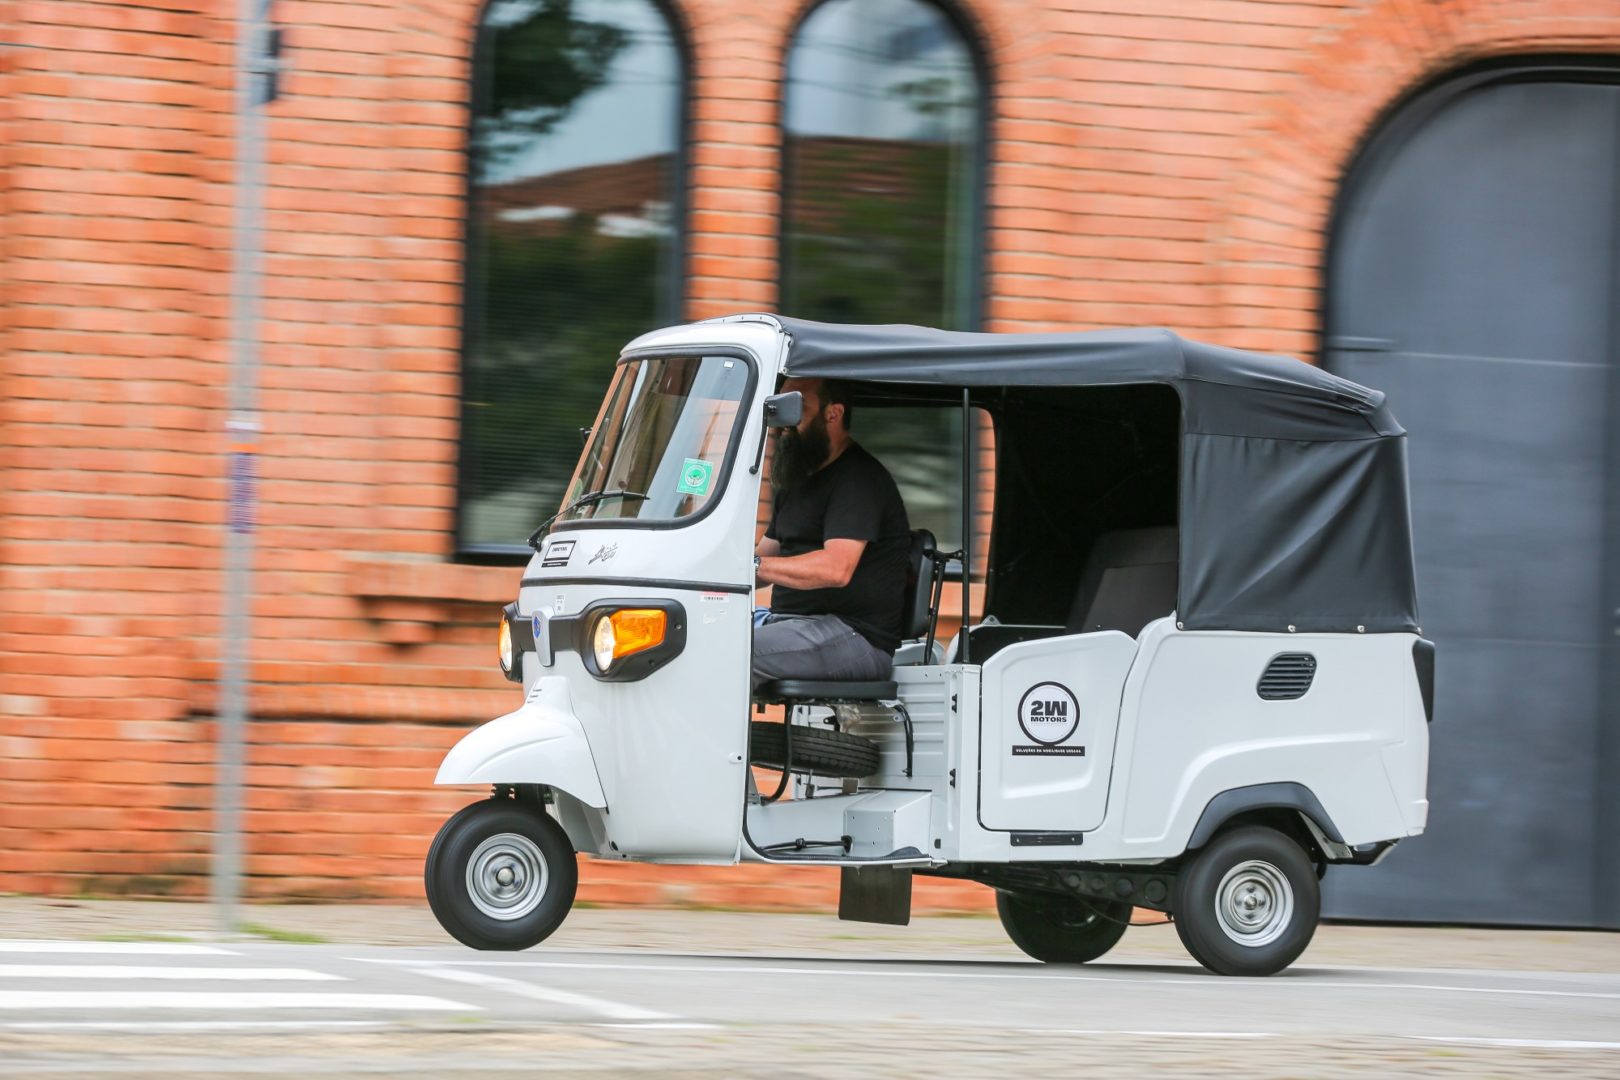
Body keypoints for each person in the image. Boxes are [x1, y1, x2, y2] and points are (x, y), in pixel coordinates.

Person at [752, 377, 910, 690]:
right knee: (687, 636)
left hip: (855, 638)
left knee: (725, 652)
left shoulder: (859, 480)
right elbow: (765, 558)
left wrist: (753, 566)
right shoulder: (797, 477)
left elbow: (836, 568)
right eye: (780, 409)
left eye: (797, 408)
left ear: (833, 413)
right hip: (791, 624)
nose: (784, 421)